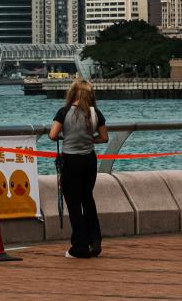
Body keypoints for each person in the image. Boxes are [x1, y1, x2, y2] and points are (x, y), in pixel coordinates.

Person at [49, 78, 108, 258]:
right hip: (89, 160)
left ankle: (79, 246)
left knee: (74, 204)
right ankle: (95, 239)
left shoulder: (64, 111)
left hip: (71, 161)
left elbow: (53, 135)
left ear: (72, 93)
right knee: (87, 199)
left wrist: (67, 138)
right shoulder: (95, 112)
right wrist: (90, 139)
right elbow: (104, 138)